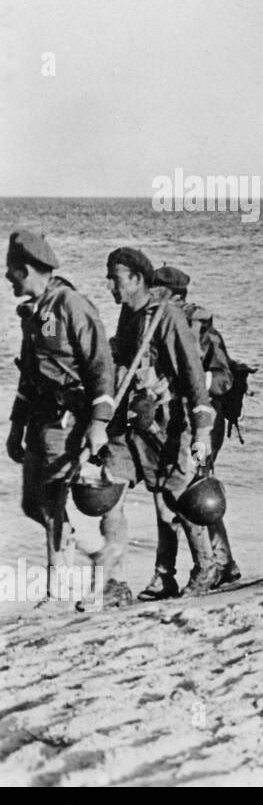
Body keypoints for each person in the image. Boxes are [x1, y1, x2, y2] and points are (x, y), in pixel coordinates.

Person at [5, 230, 131, 607]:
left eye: (10, 271)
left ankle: (57, 591)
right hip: (39, 422)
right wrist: (15, 427)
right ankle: (95, 553)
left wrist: (98, 423)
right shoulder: (35, 312)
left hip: (67, 422)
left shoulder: (71, 306)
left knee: (50, 502)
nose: (7, 278)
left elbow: (100, 368)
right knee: (33, 504)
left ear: (26, 269)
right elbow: (28, 377)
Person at [103, 247, 219, 597]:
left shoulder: (167, 316)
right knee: (111, 490)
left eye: (115, 278)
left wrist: (202, 430)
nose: (109, 285)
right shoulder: (129, 313)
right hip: (131, 424)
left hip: (168, 426)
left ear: (137, 279)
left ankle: (205, 567)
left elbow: (192, 373)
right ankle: (115, 583)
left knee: (175, 498)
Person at [151, 265, 241, 584]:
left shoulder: (202, 331)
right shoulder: (153, 328)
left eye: (155, 290)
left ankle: (215, 563)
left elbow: (224, 379)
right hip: (171, 424)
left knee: (197, 488)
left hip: (204, 425)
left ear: (174, 295)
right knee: (182, 491)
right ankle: (224, 562)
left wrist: (190, 381)